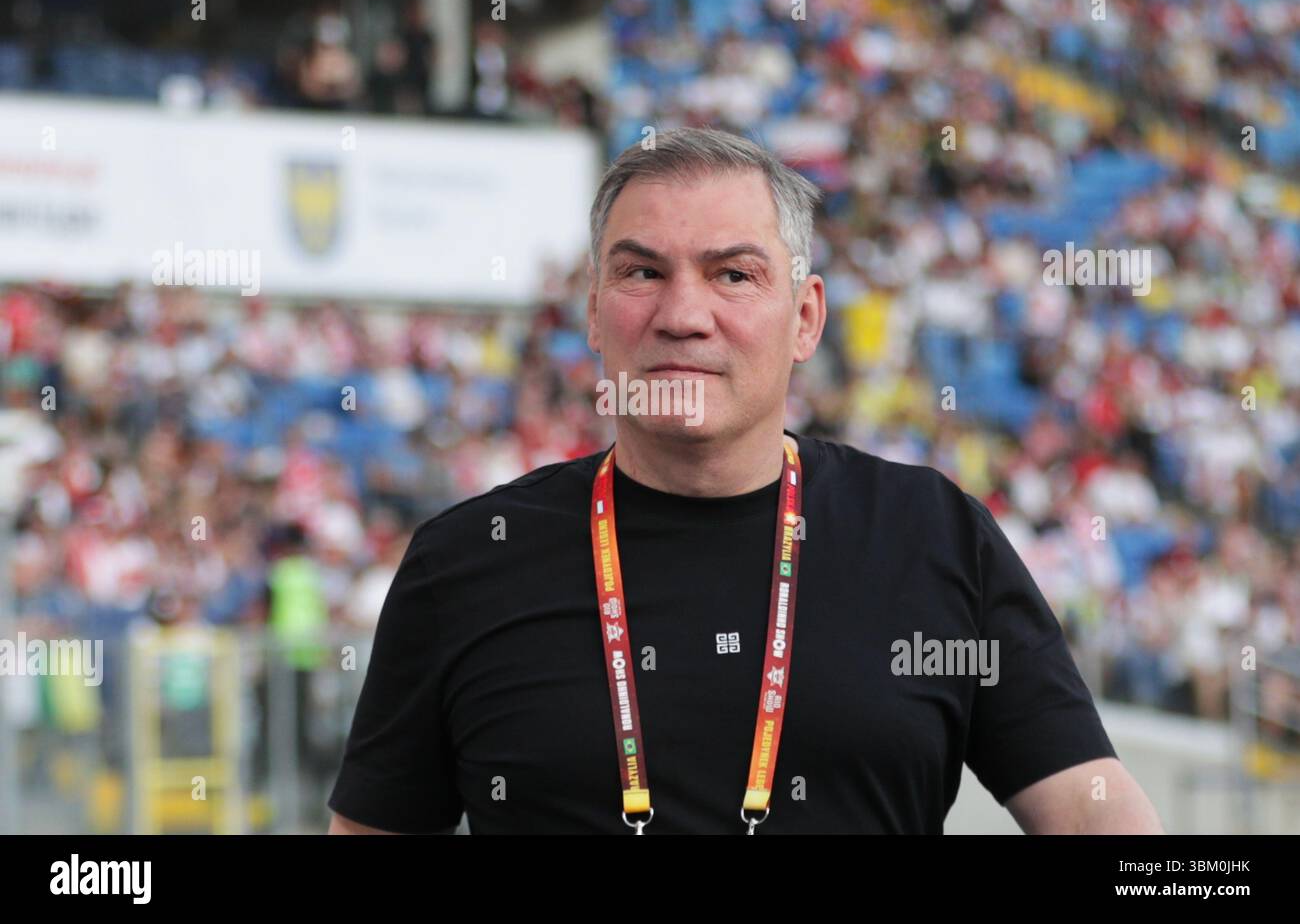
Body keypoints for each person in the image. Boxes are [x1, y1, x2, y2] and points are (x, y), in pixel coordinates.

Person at [328, 127, 1163, 834]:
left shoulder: (931, 537)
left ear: (805, 319)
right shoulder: (467, 562)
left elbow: (1100, 817)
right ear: (592, 312)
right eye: (641, 272)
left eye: (734, 274)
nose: (683, 315)